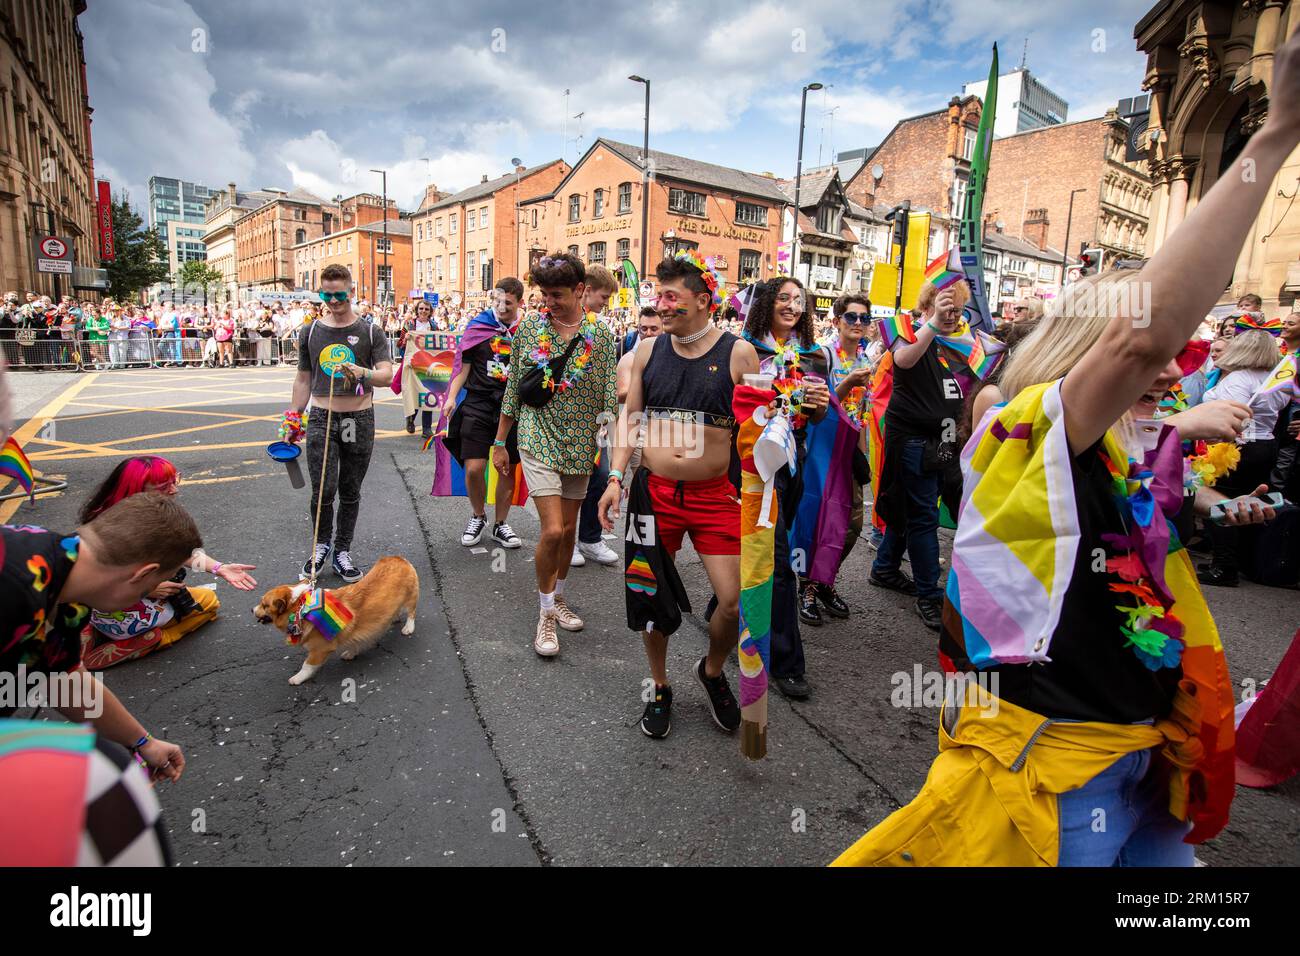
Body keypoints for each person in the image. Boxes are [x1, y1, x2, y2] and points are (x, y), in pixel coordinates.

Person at [836, 37, 1300, 865]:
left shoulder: (1119, 453)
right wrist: (1275, 137)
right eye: (1157, 365)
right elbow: (1141, 337)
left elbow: (1149, 533)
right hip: (1053, 772)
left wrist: (1221, 502)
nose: (1167, 377)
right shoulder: (1019, 431)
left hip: (1142, 759)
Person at [599, 252, 759, 737]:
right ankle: (660, 685)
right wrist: (614, 479)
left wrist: (793, 415)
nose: (660, 305)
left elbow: (758, 429)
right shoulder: (648, 352)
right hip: (655, 495)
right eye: (657, 295)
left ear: (703, 300)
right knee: (650, 599)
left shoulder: (738, 353)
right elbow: (630, 421)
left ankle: (711, 671)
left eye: (670, 296)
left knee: (733, 602)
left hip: (715, 497)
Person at [1, 492, 200, 779]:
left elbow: (63, 679)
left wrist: (143, 741)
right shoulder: (14, 592)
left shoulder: (63, 575)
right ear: (143, 574)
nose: (149, 597)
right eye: (151, 588)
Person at [494, 252, 617, 658]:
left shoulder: (601, 337)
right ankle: (545, 612)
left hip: (581, 442)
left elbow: (606, 395)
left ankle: (559, 596)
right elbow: (514, 387)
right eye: (544, 294)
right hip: (537, 435)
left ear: (581, 291)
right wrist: (499, 442)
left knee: (568, 531)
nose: (549, 303)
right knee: (550, 531)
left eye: (558, 295)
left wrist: (611, 452)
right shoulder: (530, 328)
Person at [76, 456, 257, 667]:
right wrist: (149, 589)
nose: (174, 490)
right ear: (138, 490)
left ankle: (90, 633)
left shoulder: (102, 517)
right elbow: (183, 555)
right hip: (126, 605)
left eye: (175, 481)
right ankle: (154, 638)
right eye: (163, 486)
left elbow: (182, 553)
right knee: (209, 602)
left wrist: (220, 568)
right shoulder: (145, 524)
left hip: (95, 607)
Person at [741, 276, 831, 699]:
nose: (793, 305)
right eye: (784, 298)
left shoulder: (814, 358)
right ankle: (784, 660)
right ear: (766, 304)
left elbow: (813, 417)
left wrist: (820, 408)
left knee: (767, 550)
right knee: (778, 560)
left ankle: (726, 607)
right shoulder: (745, 351)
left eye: (799, 299)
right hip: (754, 469)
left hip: (793, 466)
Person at [869, 280, 970, 633]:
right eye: (947, 307)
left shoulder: (958, 341)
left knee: (909, 507)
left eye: (958, 310)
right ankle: (929, 594)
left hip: (945, 440)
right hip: (912, 439)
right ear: (928, 304)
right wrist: (933, 324)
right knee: (923, 515)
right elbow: (904, 360)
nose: (953, 315)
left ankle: (884, 568)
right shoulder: (902, 328)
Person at [288, 263, 394, 584]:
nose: (334, 301)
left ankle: (342, 550)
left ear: (351, 292)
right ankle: (320, 545)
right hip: (322, 418)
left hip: (359, 418)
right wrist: (293, 421)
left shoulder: (370, 331)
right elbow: (303, 379)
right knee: (323, 489)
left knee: (350, 490)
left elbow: (387, 375)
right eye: (327, 295)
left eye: (340, 295)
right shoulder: (310, 332)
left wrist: (363, 372)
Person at [1198, 328, 1293, 586]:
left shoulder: (1240, 379)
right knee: (1245, 501)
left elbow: (1234, 417)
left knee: (1221, 502)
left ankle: (1224, 566)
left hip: (1235, 446)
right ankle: (1236, 561)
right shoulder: (1273, 379)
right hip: (1265, 445)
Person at [803, 292, 874, 626]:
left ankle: (824, 580)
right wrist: (847, 382)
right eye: (851, 317)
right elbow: (818, 408)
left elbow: (859, 413)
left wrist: (862, 456)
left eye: (863, 318)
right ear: (836, 321)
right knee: (817, 521)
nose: (858, 323)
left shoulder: (864, 360)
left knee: (852, 524)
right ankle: (808, 588)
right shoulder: (823, 356)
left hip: (849, 453)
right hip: (821, 451)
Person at [441, 278, 524, 550]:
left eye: (507, 304)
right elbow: (462, 366)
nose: (501, 307)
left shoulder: (526, 330)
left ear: (519, 303)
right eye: (497, 301)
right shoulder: (478, 326)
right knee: (474, 467)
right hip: (477, 401)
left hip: (511, 406)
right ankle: (478, 516)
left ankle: (501, 523)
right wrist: (452, 397)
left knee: (506, 467)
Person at [572, 263, 622, 568]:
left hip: (594, 421)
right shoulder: (559, 325)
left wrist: (607, 420)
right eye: (603, 297)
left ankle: (589, 539)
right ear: (586, 290)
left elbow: (608, 378)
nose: (605, 303)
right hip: (564, 422)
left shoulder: (602, 330)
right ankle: (565, 541)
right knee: (569, 483)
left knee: (600, 477)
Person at [402, 300, 439, 437]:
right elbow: (400, 344)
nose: (423, 311)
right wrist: (405, 339)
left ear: (430, 312)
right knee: (415, 393)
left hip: (428, 364)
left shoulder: (434, 326)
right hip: (413, 364)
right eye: (421, 308)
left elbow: (439, 344)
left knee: (427, 392)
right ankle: (411, 418)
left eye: (426, 309)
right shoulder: (409, 324)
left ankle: (427, 428)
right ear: (417, 310)